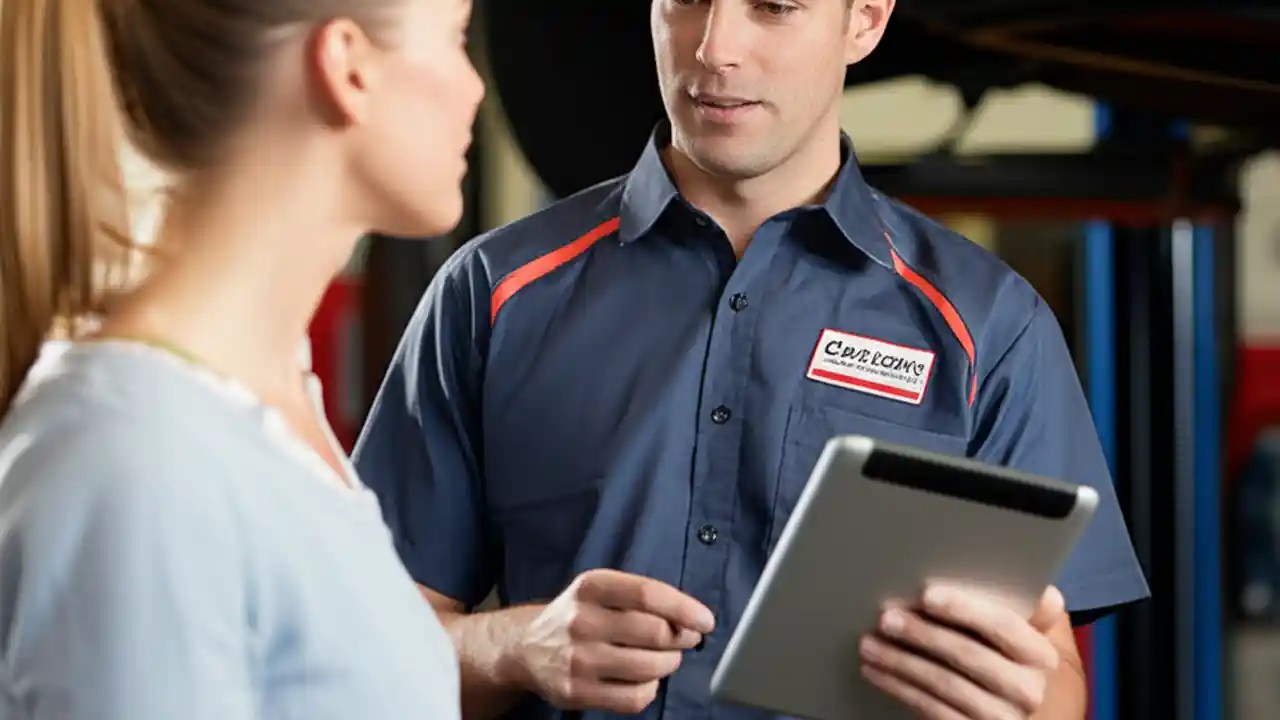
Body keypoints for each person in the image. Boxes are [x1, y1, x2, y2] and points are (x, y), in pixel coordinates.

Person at [354, 1, 1149, 719]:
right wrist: (518, 648)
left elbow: (1053, 688)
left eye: (773, 7)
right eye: (688, 0)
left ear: (865, 21)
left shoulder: (990, 326)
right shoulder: (494, 295)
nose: (714, 48)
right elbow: (361, 662)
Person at [0, 0, 483, 717]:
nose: (474, 86)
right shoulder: (141, 462)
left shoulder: (267, 404)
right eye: (455, 39)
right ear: (348, 65)